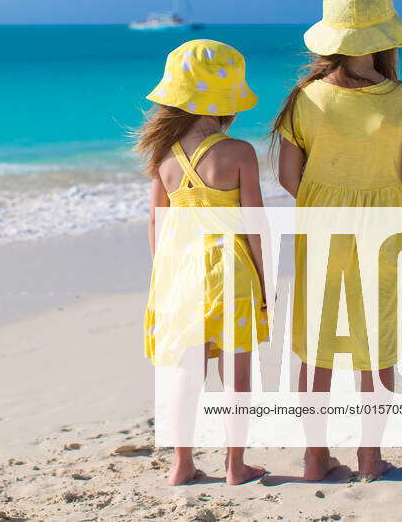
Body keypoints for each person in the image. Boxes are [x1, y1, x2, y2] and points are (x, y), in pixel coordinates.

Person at [271, 0, 402, 481]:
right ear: (383, 35)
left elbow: (286, 176)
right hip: (383, 231)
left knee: (317, 347)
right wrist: (380, 207)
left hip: (319, 229)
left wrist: (327, 206)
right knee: (377, 344)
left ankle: (315, 457)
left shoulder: (306, 97)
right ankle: (369, 456)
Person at [135, 39, 270, 486]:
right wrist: (267, 284)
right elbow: (256, 227)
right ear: (227, 99)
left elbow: (156, 224)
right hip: (230, 272)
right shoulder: (238, 153)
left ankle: (182, 463)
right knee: (237, 375)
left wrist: (163, 280)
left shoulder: (162, 156)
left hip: (180, 274)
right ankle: (235, 466)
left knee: (186, 375)